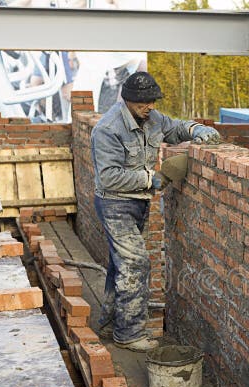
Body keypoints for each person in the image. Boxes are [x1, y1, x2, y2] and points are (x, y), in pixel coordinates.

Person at [91, 71, 220, 352]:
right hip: (114, 203)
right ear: (127, 100)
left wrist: (196, 129)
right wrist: (152, 178)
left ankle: (110, 321)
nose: (149, 107)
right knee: (136, 264)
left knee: (121, 264)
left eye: (152, 101)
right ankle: (129, 333)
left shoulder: (152, 118)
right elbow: (109, 176)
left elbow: (173, 129)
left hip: (138, 202)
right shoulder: (108, 129)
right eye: (143, 103)